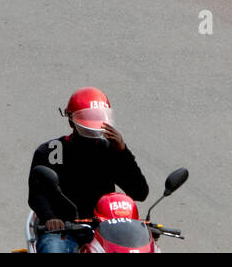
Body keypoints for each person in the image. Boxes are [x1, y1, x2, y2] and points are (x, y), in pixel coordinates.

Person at [27, 87, 149, 254]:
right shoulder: (51, 152)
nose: (92, 129)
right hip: (63, 230)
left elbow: (139, 192)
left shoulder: (111, 151)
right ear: (71, 121)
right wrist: (50, 218)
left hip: (106, 231)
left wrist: (123, 152)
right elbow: (37, 193)